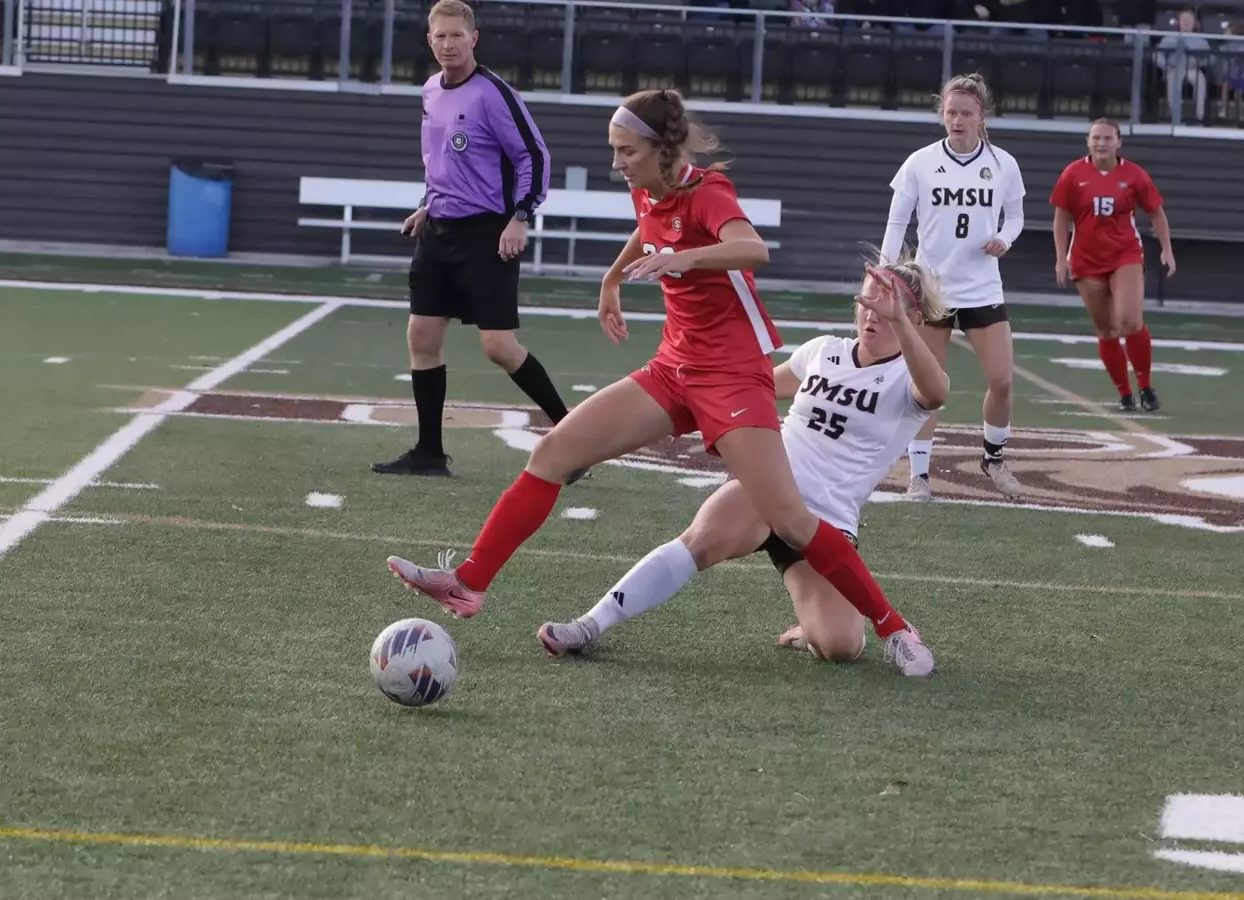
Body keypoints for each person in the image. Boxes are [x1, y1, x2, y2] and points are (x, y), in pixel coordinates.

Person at [384, 89, 932, 669]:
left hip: (732, 375)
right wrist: (613, 278)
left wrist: (685, 258)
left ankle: (895, 629)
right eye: (614, 149)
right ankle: (469, 582)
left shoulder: (709, 193)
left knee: (794, 522)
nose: (616, 162)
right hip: (674, 367)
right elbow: (650, 226)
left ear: (660, 149)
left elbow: (752, 248)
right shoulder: (647, 187)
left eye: (626, 151)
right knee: (553, 452)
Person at [537, 258, 947, 677]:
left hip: (828, 522)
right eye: (867, 300)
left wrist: (902, 324)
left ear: (914, 318)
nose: (871, 314)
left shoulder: (909, 378)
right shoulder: (824, 351)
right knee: (697, 543)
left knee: (840, 646)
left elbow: (936, 392)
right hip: (769, 488)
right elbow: (752, 388)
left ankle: (810, 630)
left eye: (887, 307)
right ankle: (588, 625)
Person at [372, 0, 579, 482]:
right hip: (437, 232)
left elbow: (534, 157)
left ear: (474, 38)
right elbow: (440, 161)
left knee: (499, 346)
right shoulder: (429, 91)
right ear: (429, 41)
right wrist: (426, 205)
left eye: (457, 36)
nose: (448, 45)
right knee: (422, 338)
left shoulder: (494, 93)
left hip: (488, 234)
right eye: (440, 36)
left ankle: (577, 442)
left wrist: (521, 217)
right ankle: (429, 453)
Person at [880, 72, 1025, 503]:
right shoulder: (920, 162)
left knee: (1002, 380)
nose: (957, 120)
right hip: (933, 288)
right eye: (950, 113)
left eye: (965, 113)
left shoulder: (1003, 163)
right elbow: (897, 222)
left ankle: (994, 459)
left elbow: (1016, 217)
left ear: (982, 116)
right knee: (928, 387)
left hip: (982, 287)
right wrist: (888, 272)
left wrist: (1005, 238)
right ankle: (919, 476)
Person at [1049, 119, 1175, 413]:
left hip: (1124, 254)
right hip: (1086, 259)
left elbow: (1156, 213)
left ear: (1118, 142)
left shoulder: (1134, 175)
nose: (1101, 143)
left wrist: (1167, 250)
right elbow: (1061, 217)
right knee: (1106, 329)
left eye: (1107, 138)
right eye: (1096, 138)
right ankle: (1124, 393)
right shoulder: (1073, 174)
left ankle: (1145, 386)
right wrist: (1060, 257)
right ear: (1088, 141)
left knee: (1130, 319)